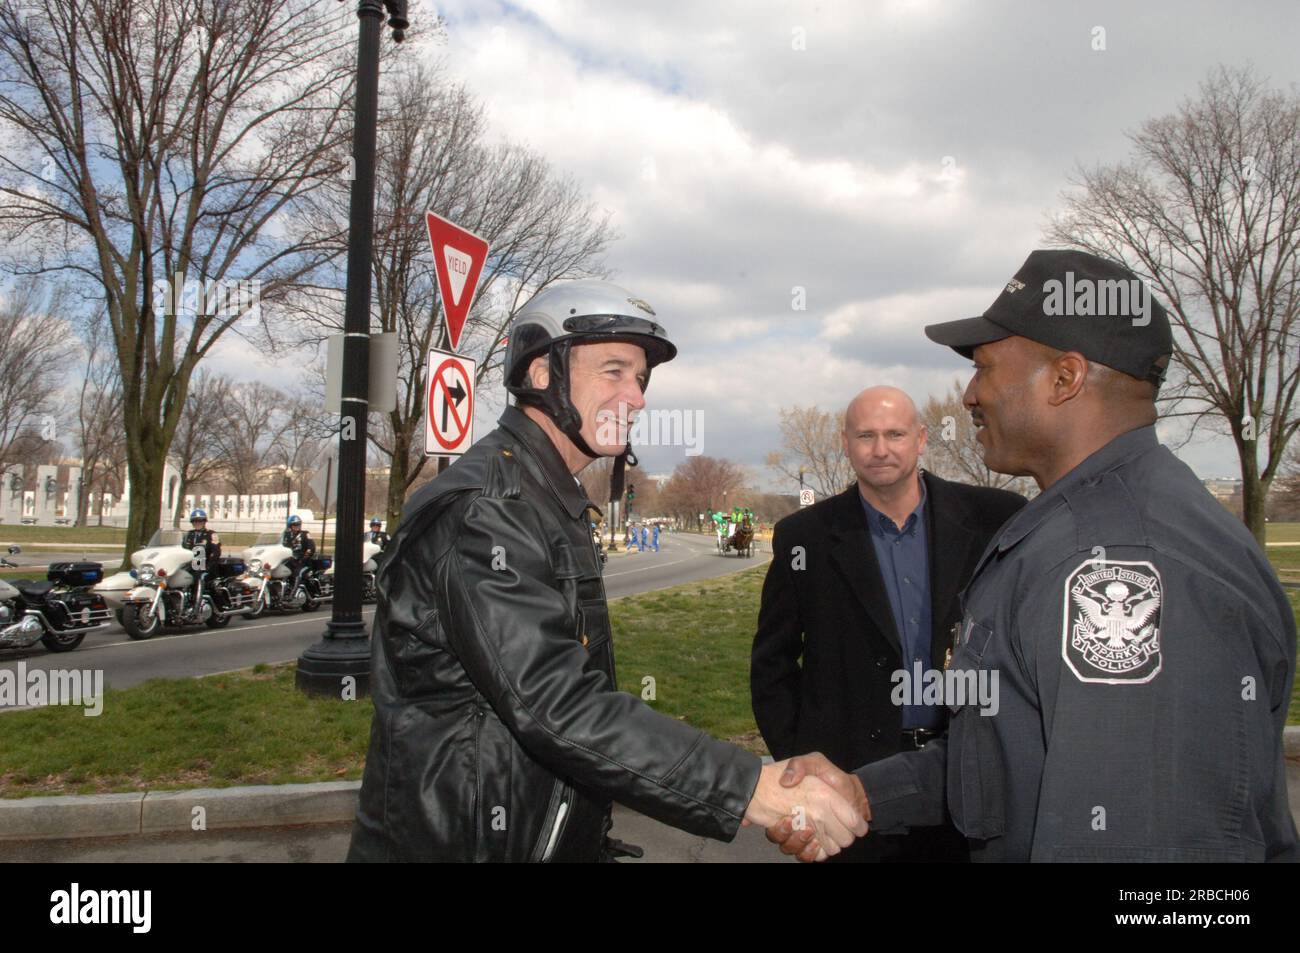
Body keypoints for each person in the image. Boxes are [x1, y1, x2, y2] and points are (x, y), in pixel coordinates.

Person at [767, 249, 1299, 862]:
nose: (969, 395)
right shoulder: (1072, 527)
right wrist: (864, 792)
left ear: (1065, 378)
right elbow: (1018, 753)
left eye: (985, 367)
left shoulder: (1118, 564)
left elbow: (1142, 851)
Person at [347, 279, 867, 863]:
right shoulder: (487, 509)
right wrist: (751, 788)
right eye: (614, 372)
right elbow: (556, 704)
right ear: (542, 372)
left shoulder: (543, 498)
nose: (637, 397)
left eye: (641, 380)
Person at [751, 386, 1024, 862]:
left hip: (965, 775)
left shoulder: (993, 519)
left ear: (921, 439)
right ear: (845, 442)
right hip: (847, 788)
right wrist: (802, 764)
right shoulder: (804, 537)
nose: (880, 449)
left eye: (895, 434)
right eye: (866, 436)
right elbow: (771, 667)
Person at [181, 508, 222, 604]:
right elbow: (182, 550)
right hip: (191, 566)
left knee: (199, 578)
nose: (197, 523)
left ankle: (197, 602)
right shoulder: (189, 535)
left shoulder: (211, 534)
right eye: (195, 521)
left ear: (204, 522)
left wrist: (208, 567)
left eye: (200, 521)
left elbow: (216, 552)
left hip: (206, 566)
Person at [281, 514, 316, 596]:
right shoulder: (286, 536)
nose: (297, 526)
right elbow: (280, 547)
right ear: (290, 525)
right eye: (294, 524)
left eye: (298, 524)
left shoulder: (305, 534)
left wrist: (304, 558)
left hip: (303, 562)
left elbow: (311, 548)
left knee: (298, 573)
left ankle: (292, 595)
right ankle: (282, 592)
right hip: (290, 561)